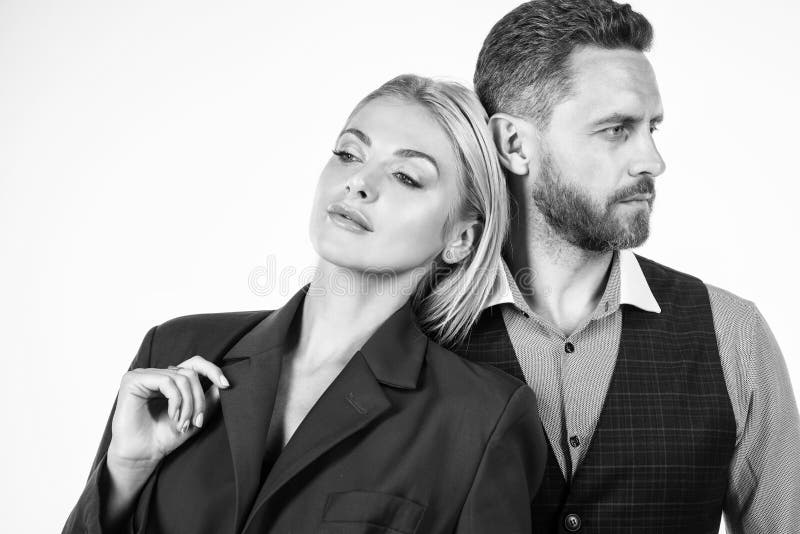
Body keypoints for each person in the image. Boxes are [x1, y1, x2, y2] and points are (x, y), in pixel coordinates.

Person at [62, 74, 547, 534]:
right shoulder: (176, 348)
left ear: (461, 238)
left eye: (405, 175)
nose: (359, 182)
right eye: (349, 153)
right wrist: (125, 473)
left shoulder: (481, 421)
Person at [455, 1, 800, 533]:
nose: (652, 162)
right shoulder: (417, 326)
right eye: (616, 129)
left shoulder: (735, 338)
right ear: (514, 144)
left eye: (652, 128)